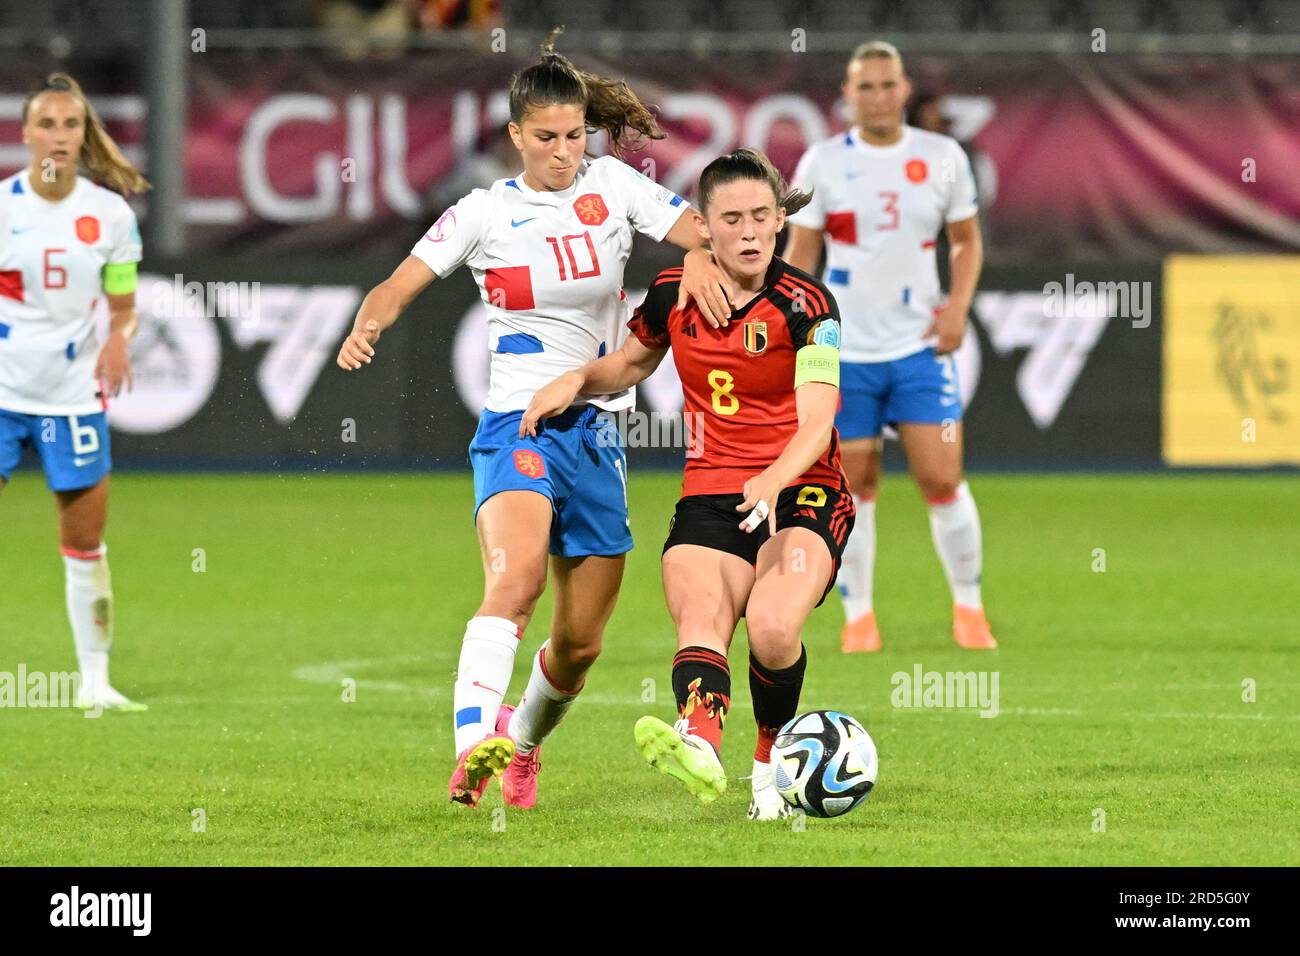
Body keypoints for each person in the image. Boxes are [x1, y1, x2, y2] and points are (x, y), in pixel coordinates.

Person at [336, 30, 733, 809]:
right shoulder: (482, 213)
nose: (562, 150)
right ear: (514, 134)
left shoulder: (616, 187)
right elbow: (395, 284)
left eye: (575, 133)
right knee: (512, 582)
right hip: (515, 428)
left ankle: (519, 744)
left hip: (595, 433)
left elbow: (709, 237)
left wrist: (701, 269)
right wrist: (368, 322)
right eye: (545, 136)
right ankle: (471, 746)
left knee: (580, 644)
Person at [521, 148, 851, 820]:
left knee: (771, 626)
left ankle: (768, 768)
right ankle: (698, 740)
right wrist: (579, 380)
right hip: (712, 491)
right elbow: (633, 364)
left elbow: (819, 420)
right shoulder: (674, 292)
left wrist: (774, 478)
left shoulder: (810, 304)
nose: (752, 231)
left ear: (782, 218)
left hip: (804, 489)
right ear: (705, 226)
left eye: (764, 215)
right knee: (701, 617)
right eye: (733, 219)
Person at [783, 40, 997, 653]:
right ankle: (859, 616)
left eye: (887, 85)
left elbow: (965, 242)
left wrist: (956, 308)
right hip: (845, 349)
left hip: (918, 347)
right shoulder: (822, 163)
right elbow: (802, 255)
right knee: (854, 481)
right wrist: (797, 331)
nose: (877, 96)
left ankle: (969, 607)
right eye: (865, 87)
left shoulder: (943, 156)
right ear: (847, 97)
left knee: (941, 475)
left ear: (905, 91)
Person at [0, 73, 148, 710]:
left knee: (85, 545)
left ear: (84, 135)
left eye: (72, 124)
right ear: (26, 132)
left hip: (73, 397)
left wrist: (120, 336)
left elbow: (124, 306)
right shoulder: (3, 208)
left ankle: (94, 683)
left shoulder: (110, 214)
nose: (59, 135)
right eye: (48, 124)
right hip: (4, 391)